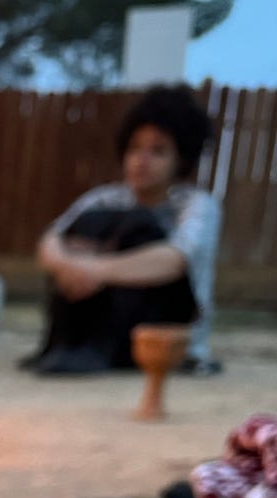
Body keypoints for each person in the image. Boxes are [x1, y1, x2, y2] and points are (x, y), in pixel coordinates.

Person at [23, 85, 220, 375]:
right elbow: (51, 242)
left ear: (182, 158)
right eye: (135, 148)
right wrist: (71, 267)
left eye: (158, 151)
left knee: (140, 228)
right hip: (97, 329)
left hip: (164, 332)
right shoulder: (103, 198)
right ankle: (75, 345)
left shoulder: (197, 205)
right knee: (89, 225)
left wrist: (93, 269)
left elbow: (175, 260)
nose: (142, 160)